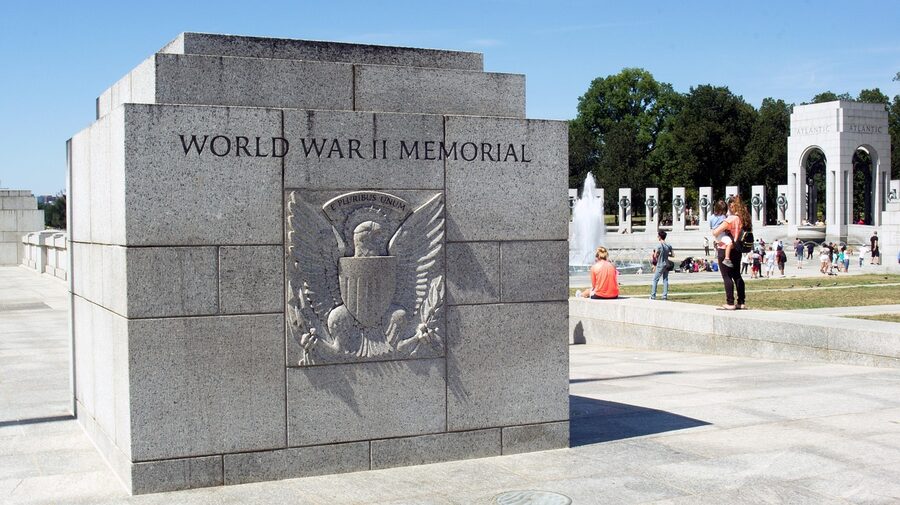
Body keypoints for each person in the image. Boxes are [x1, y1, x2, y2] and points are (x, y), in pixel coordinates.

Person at [712, 196, 748, 309]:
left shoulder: (731, 219)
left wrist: (714, 231)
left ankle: (730, 302)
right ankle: (741, 301)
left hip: (725, 249)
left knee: (726, 276)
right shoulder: (744, 219)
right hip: (737, 249)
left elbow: (716, 232)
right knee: (737, 275)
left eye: (730, 206)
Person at [709, 200, 735, 267]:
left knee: (727, 243)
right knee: (729, 243)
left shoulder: (712, 217)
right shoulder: (724, 217)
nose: (723, 212)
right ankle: (727, 258)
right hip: (721, 234)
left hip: (719, 234)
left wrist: (716, 239)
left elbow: (711, 228)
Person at [649, 230, 673, 300]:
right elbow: (673, 255)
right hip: (667, 264)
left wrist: (657, 254)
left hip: (660, 264)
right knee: (665, 280)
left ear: (660, 237)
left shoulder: (659, 246)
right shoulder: (669, 245)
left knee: (655, 280)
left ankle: (653, 296)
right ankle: (664, 296)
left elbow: (655, 255)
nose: (657, 237)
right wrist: (666, 254)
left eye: (658, 236)